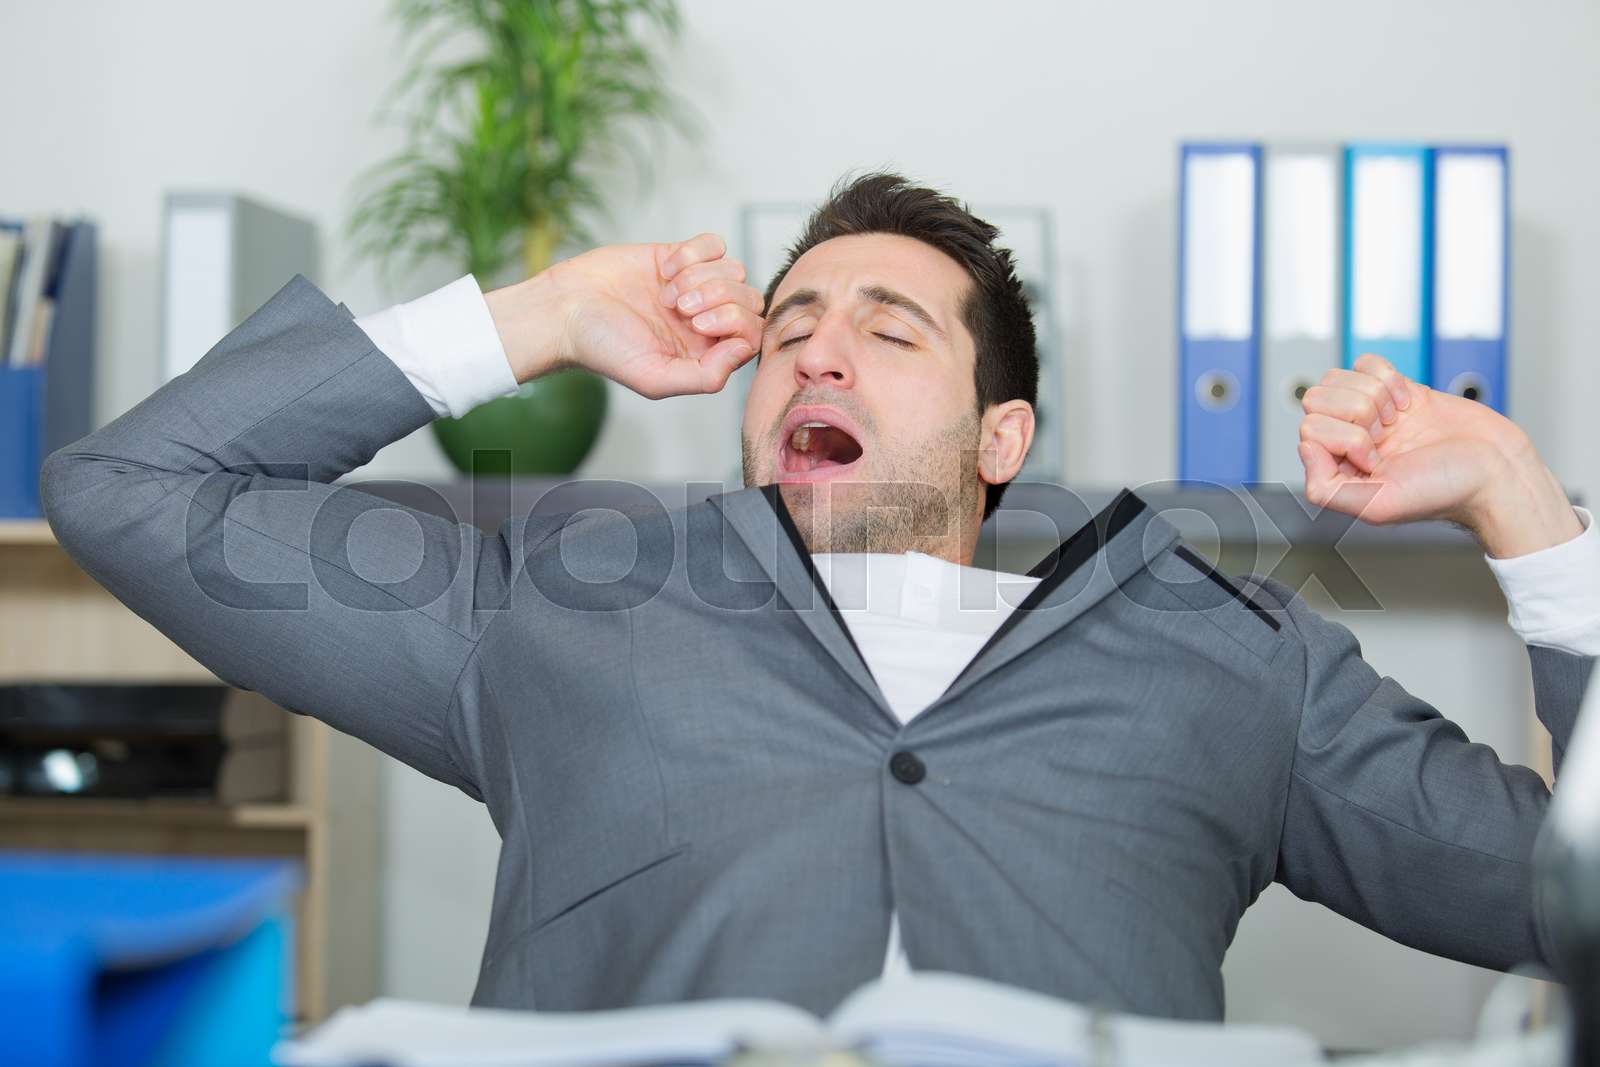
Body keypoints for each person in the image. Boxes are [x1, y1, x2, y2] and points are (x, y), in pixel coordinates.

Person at [42, 173, 1598, 1020]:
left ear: (1004, 442)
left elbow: (1569, 901)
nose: (818, 351)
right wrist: (546, 314)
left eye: (890, 330)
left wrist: (1522, 511)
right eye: (787, 328)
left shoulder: (1235, 659)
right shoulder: (563, 608)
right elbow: (140, 494)